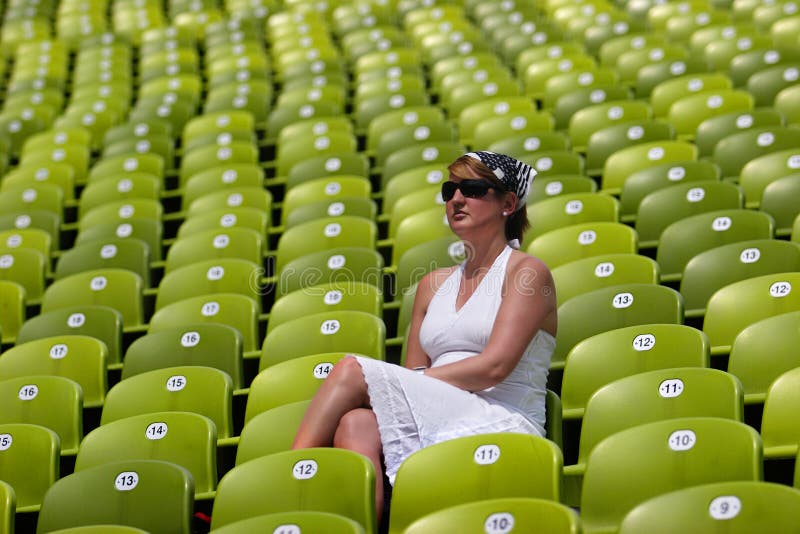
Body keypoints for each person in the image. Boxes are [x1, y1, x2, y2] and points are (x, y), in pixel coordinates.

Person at [292, 151, 557, 521]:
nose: (456, 199)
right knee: (356, 422)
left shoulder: (528, 272)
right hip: (439, 411)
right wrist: (404, 381)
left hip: (503, 416)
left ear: (508, 203)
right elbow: (412, 376)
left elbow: (495, 367)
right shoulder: (432, 285)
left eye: (474, 189)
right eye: (450, 190)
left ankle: (288, 488)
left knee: (352, 370)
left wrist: (389, 380)